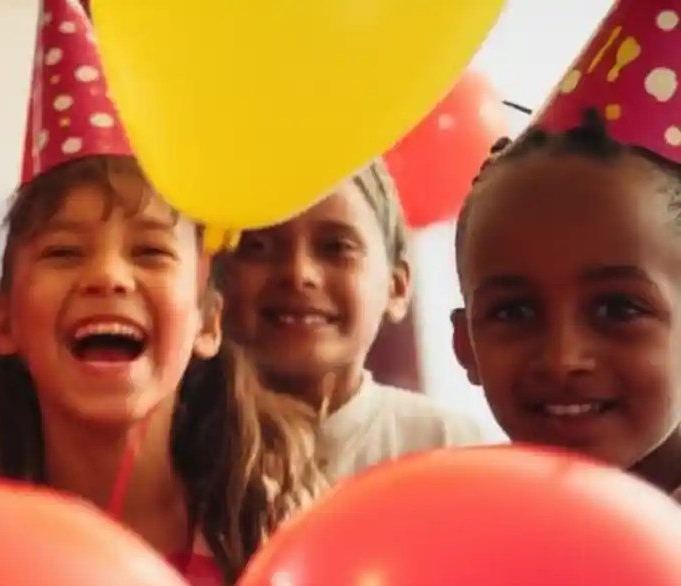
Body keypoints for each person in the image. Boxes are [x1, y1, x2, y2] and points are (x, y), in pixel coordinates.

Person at [0, 0, 323, 586]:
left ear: (208, 321)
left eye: (150, 252)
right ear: (3, 320)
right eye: (62, 251)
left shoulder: (277, 541)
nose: (108, 275)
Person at [452, 0, 681, 498]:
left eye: (617, 307)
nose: (563, 359)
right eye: (514, 311)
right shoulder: (469, 524)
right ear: (465, 346)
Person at [216, 161, 489, 481]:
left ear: (397, 286)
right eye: (258, 246)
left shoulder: (448, 449)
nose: (298, 273)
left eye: (336, 247)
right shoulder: (172, 451)